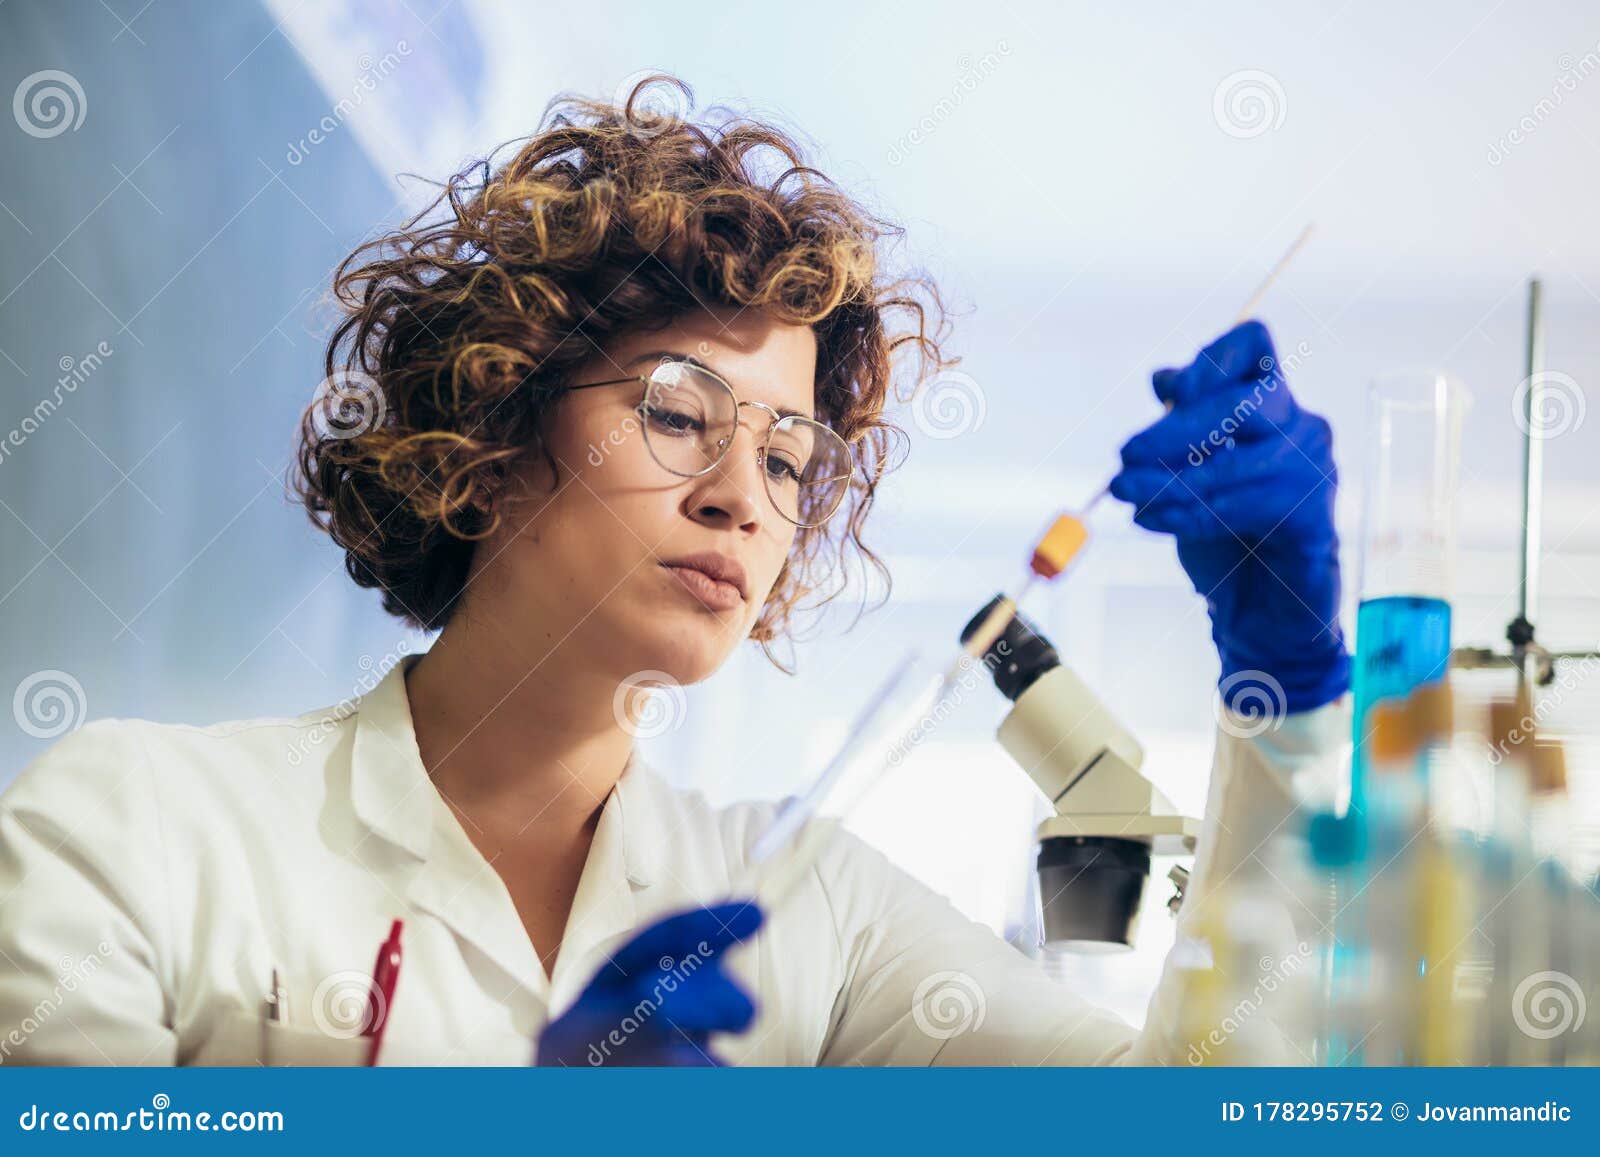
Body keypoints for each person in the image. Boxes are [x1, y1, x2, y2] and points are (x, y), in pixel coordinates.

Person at [0, 77, 1348, 1066]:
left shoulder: (814, 910)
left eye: (787, 458)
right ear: (498, 424)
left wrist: (1285, 688)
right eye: (679, 413)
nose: (740, 500)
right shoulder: (137, 827)